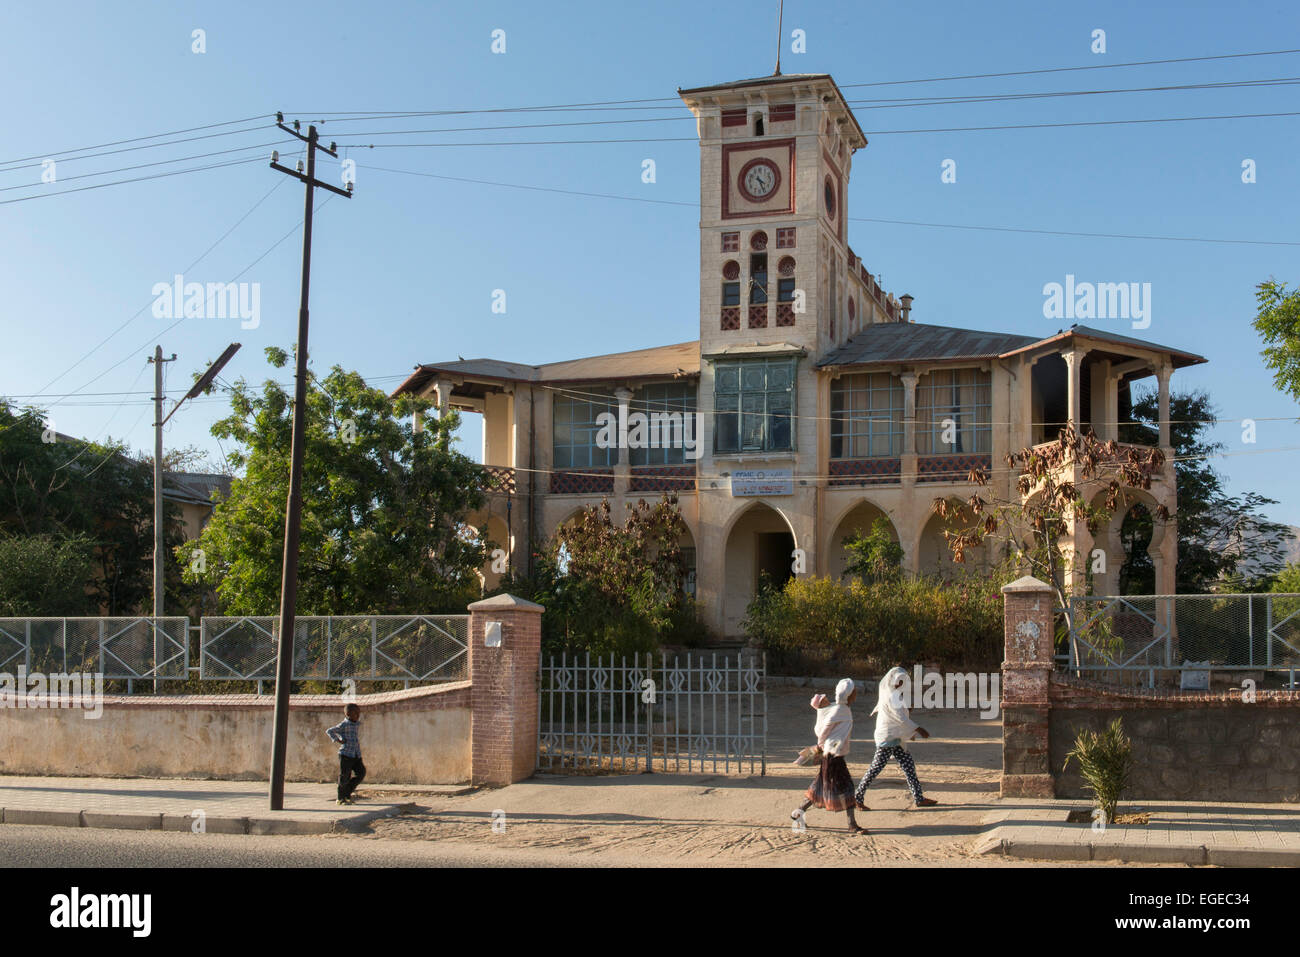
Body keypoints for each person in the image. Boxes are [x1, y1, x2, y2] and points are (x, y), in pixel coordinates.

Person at [854, 666, 938, 810]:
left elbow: (898, 713)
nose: (901, 684)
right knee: (875, 768)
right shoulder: (891, 695)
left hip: (895, 737)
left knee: (908, 766)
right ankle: (857, 797)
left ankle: (919, 798)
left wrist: (909, 709)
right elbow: (900, 718)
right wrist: (919, 729)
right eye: (899, 681)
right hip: (888, 738)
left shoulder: (892, 693)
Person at [791, 678, 867, 834]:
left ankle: (797, 813)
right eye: (854, 692)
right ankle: (852, 824)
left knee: (819, 788)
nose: (856, 694)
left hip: (832, 755)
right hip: (833, 756)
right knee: (847, 788)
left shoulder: (840, 707)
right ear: (850, 694)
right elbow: (825, 728)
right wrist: (821, 744)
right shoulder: (840, 709)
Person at [326, 703, 365, 806]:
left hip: (356, 754)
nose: (358, 715)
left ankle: (347, 793)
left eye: (358, 713)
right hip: (346, 754)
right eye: (355, 713)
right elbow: (330, 731)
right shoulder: (344, 724)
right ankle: (340, 798)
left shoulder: (356, 724)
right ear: (348, 714)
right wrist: (338, 740)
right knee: (345, 776)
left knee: (361, 773)